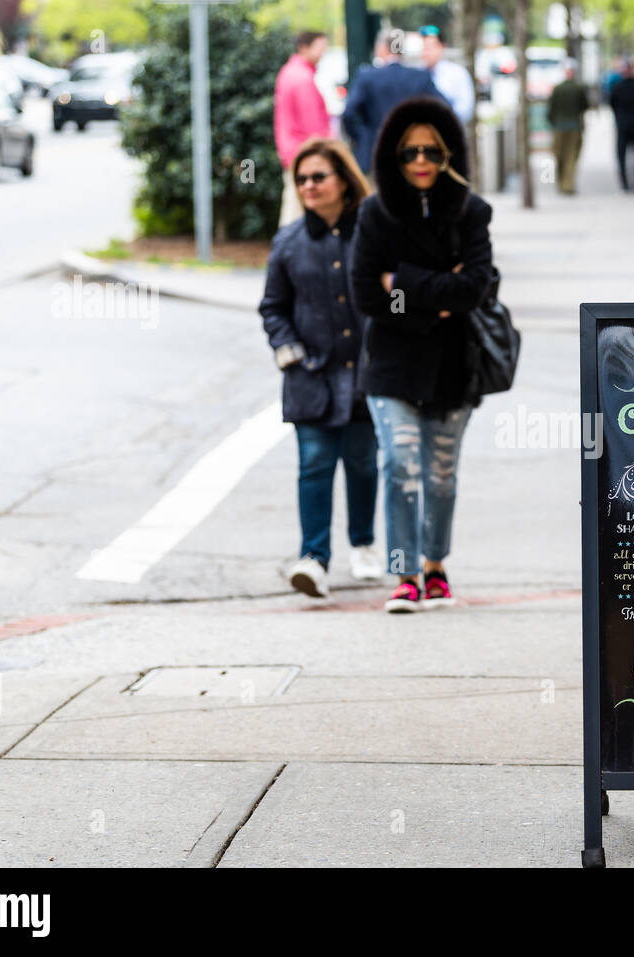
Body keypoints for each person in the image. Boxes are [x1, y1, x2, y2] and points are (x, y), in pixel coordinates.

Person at [348, 97, 494, 613]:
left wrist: (404, 283)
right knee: (400, 464)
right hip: (391, 367)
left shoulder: (472, 212)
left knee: (440, 474)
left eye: (431, 150)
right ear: (394, 155)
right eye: (409, 151)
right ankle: (404, 573)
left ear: (448, 152)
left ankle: (435, 567)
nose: (420, 161)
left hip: (455, 370)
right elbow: (367, 293)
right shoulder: (374, 213)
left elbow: (476, 288)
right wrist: (439, 296)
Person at [260, 138, 383, 597]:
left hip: (367, 376)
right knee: (313, 465)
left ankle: (365, 542)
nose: (309, 186)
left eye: (318, 177)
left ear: (344, 182)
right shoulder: (289, 242)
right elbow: (272, 307)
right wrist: (288, 349)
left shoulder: (373, 232)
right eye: (302, 179)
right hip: (310, 377)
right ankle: (313, 558)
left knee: (363, 463)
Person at [341, 28, 443, 175]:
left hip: (374, 153)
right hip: (413, 155)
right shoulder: (419, 77)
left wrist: (362, 137)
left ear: (382, 48)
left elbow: (350, 112)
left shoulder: (367, 77)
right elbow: (442, 108)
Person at [274, 31, 333, 228]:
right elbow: (313, 123)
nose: (323, 53)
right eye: (320, 48)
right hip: (304, 153)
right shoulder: (302, 78)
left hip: (294, 151)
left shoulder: (290, 72)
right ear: (304, 47)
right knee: (296, 211)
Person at [607, 57, 634, 192]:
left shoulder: (617, 86)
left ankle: (624, 183)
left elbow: (612, 104)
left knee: (622, 155)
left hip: (623, 124)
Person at [547, 59, 590, 195]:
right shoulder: (578, 88)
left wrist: (553, 123)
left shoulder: (557, 89)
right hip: (574, 127)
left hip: (559, 127)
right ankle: (568, 184)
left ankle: (561, 184)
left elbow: (551, 110)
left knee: (559, 155)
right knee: (571, 157)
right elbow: (585, 106)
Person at [419, 24, 474, 125]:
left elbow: (466, 109)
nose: (426, 52)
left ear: (442, 47)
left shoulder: (457, 74)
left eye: (430, 47)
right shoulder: (416, 75)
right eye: (424, 47)